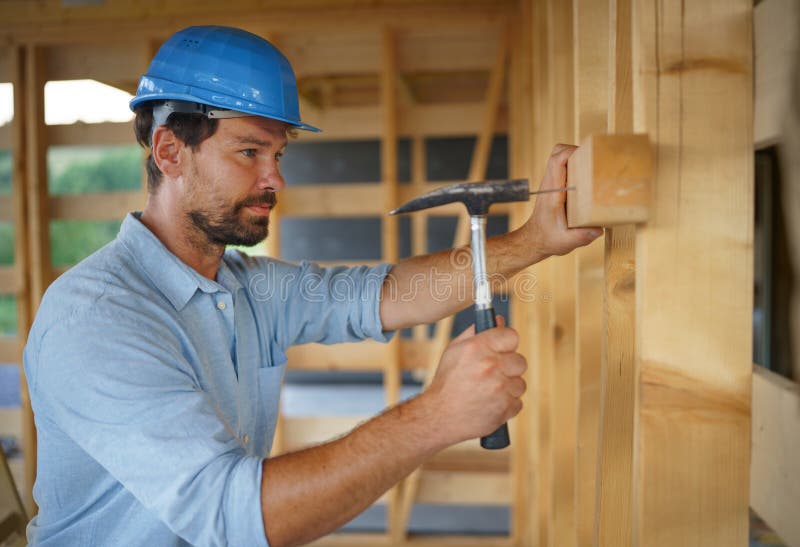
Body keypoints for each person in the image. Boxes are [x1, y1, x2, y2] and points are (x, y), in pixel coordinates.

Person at [23, 26, 601, 547]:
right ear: (170, 151)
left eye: (277, 153)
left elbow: (388, 293)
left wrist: (537, 240)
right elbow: (234, 516)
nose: (274, 177)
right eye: (250, 151)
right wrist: (437, 416)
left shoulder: (244, 287)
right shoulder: (97, 319)